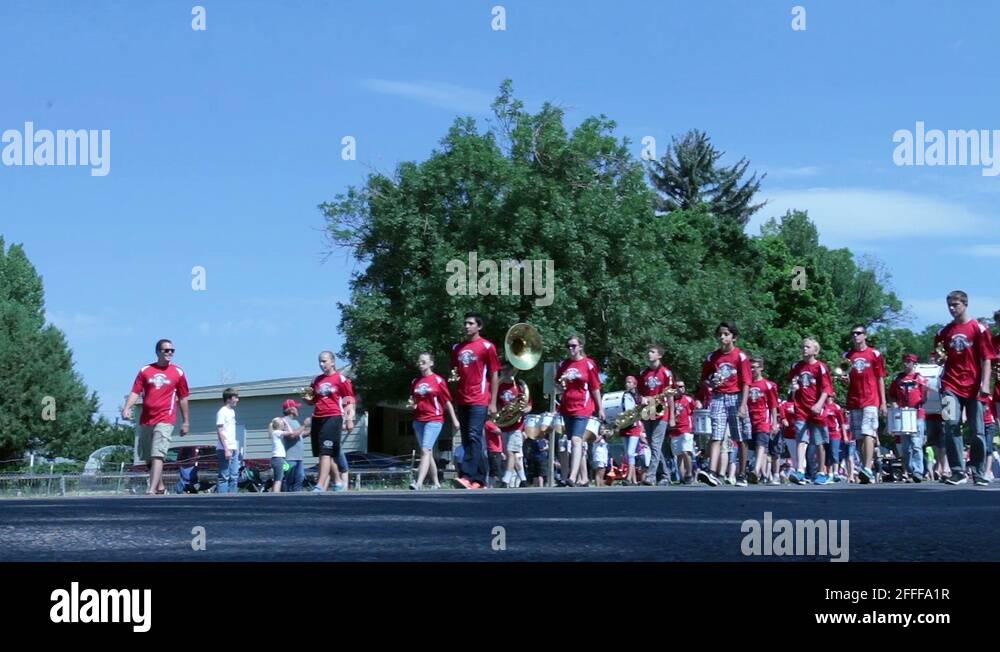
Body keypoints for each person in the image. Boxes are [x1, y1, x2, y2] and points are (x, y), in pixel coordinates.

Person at [934, 291, 996, 485]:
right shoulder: (944, 332)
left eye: (956, 305)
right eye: (950, 305)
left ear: (965, 304)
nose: (952, 309)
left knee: (977, 430)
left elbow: (987, 358)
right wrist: (939, 358)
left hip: (974, 387)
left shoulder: (978, 328)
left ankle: (978, 471)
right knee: (950, 425)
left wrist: (985, 384)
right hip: (950, 385)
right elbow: (938, 355)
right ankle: (957, 471)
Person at [121, 338, 191, 495]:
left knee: (158, 453)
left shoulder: (178, 372)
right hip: (147, 419)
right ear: (158, 352)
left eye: (172, 350)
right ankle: (160, 487)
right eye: (166, 350)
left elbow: (183, 398)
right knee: (148, 457)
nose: (170, 353)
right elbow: (135, 391)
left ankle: (151, 489)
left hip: (166, 418)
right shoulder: (145, 370)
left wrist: (186, 421)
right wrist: (127, 407)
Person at [696, 322, 751, 487]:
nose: (722, 337)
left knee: (739, 437)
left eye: (726, 334)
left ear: (733, 337)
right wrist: (710, 383)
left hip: (736, 397)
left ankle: (742, 474)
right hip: (718, 397)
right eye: (720, 334)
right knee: (716, 434)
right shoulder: (712, 357)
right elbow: (704, 379)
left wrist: (743, 404)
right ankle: (712, 472)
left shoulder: (740, 357)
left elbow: (746, 382)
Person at [450, 312, 500, 489]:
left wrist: (492, 402)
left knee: (473, 435)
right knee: (467, 439)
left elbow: (494, 374)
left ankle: (466, 475)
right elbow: (455, 372)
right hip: (462, 398)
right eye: (465, 323)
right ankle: (479, 480)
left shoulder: (487, 346)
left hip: (479, 398)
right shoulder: (457, 348)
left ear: (479, 326)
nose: (466, 326)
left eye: (470, 323)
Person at [556, 334, 605, 486]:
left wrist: (600, 408)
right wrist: (560, 385)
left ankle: (572, 477)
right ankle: (584, 478)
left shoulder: (588, 364)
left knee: (576, 440)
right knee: (575, 441)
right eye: (568, 346)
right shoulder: (564, 364)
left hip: (583, 406)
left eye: (573, 346)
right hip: (567, 406)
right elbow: (557, 385)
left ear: (581, 346)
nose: (570, 348)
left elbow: (595, 387)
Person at [304, 350, 356, 492]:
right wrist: (307, 398)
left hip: (333, 416)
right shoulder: (316, 380)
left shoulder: (340, 379)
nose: (322, 364)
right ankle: (338, 481)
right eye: (320, 361)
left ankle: (320, 485)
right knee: (323, 453)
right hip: (318, 417)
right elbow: (311, 400)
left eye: (324, 361)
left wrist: (349, 419)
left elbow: (349, 400)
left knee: (326, 452)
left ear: (332, 362)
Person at [843, 325, 888, 484]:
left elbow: (880, 378)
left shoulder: (874, 354)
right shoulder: (847, 356)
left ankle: (868, 467)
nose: (855, 336)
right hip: (854, 400)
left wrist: (883, 402)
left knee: (868, 431)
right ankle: (865, 469)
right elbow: (847, 376)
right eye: (853, 333)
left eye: (858, 333)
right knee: (859, 437)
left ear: (865, 335)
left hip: (871, 399)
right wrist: (845, 380)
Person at [409, 352, 460, 490]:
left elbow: (447, 401)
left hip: (434, 419)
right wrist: (412, 405)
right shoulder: (415, 381)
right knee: (428, 452)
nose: (420, 364)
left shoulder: (438, 380)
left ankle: (418, 483)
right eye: (419, 361)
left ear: (431, 363)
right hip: (419, 420)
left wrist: (454, 419)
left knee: (425, 450)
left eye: (424, 361)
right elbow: (413, 399)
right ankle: (436, 482)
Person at [787, 338, 833, 485]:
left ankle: (821, 472)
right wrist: (793, 387)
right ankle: (800, 469)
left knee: (819, 441)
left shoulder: (820, 367)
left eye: (808, 347)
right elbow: (792, 381)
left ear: (815, 351)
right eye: (803, 347)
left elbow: (827, 388)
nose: (804, 349)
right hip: (801, 408)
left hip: (816, 408)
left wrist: (819, 404)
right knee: (801, 438)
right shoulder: (797, 366)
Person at [637, 344, 675, 486]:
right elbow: (639, 392)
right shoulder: (643, 373)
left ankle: (651, 476)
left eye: (652, 352)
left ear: (659, 355)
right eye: (649, 351)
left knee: (656, 443)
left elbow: (670, 395)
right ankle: (665, 474)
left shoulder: (666, 373)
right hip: (648, 408)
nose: (649, 354)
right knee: (653, 445)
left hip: (661, 409)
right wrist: (641, 399)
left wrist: (672, 416)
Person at [888, 353, 929, 481]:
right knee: (905, 447)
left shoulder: (920, 379)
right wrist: (894, 405)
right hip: (903, 415)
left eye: (908, 362)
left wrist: (920, 402)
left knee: (916, 444)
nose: (906, 364)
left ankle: (918, 471)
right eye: (904, 361)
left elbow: (925, 396)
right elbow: (892, 395)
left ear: (914, 364)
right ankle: (910, 470)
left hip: (917, 414)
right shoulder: (898, 379)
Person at [496, 361, 530, 488]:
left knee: (510, 451)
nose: (505, 373)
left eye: (507, 370)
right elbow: (496, 404)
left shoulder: (520, 387)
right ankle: (524, 480)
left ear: (513, 371)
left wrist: (525, 409)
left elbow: (529, 404)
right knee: (512, 454)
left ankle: (506, 480)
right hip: (504, 424)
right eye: (503, 370)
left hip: (517, 425)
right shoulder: (498, 387)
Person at [746, 356, 779, 484]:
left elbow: (773, 405)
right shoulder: (747, 384)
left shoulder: (767, 385)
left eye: (755, 367)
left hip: (763, 419)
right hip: (749, 419)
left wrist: (774, 423)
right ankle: (761, 473)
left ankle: (755, 470)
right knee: (753, 446)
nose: (752, 370)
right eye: (751, 367)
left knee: (761, 445)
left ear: (761, 368)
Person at [668, 380, 698, 484]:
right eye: (679, 386)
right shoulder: (671, 400)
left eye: (682, 386)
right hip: (674, 430)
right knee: (678, 454)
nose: (681, 388)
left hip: (686, 429)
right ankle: (682, 477)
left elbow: (695, 411)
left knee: (686, 451)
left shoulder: (688, 399)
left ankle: (689, 474)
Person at [277, 400, 308, 492]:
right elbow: (292, 436)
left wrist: (313, 429)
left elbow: (300, 434)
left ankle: (297, 498)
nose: (298, 409)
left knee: (300, 479)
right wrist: (304, 425)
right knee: (289, 481)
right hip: (289, 459)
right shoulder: (283, 421)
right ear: (291, 409)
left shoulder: (295, 422)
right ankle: (286, 498)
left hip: (299, 458)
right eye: (296, 407)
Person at [619, 376, 644, 485]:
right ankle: (634, 480)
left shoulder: (638, 397)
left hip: (634, 426)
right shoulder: (622, 396)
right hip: (624, 426)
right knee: (628, 454)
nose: (627, 384)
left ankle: (628, 478)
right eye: (626, 382)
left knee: (630, 453)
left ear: (634, 384)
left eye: (629, 382)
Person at [215, 388, 240, 494]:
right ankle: (222, 499)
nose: (237, 400)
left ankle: (233, 498)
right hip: (224, 448)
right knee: (224, 476)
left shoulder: (232, 412)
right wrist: (226, 449)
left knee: (234, 475)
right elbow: (220, 431)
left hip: (233, 447)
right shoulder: (222, 412)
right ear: (229, 399)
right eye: (235, 397)